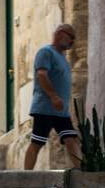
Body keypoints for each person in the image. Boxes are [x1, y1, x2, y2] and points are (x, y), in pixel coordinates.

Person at [24, 24, 81, 171]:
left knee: (71, 138)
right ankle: (25, 175)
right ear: (60, 34)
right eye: (71, 37)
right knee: (37, 142)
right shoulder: (46, 52)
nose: (72, 42)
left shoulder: (62, 57)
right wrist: (54, 96)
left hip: (60, 111)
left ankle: (82, 172)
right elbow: (42, 74)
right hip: (45, 107)